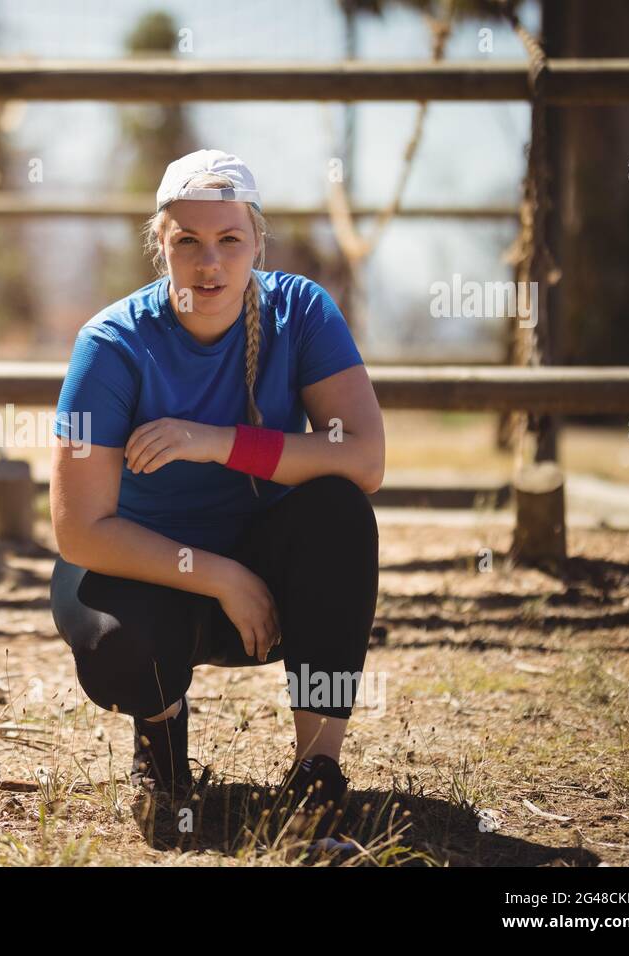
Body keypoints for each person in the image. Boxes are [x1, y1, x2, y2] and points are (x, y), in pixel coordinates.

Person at [48, 149, 384, 840]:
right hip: (142, 568)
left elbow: (364, 457)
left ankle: (316, 775)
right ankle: (163, 753)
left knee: (340, 511)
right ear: (159, 248)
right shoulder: (109, 344)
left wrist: (215, 440)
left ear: (258, 243)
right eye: (188, 242)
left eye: (231, 240)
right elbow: (79, 530)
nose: (211, 264)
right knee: (120, 647)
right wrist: (221, 576)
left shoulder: (304, 312)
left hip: (270, 573)